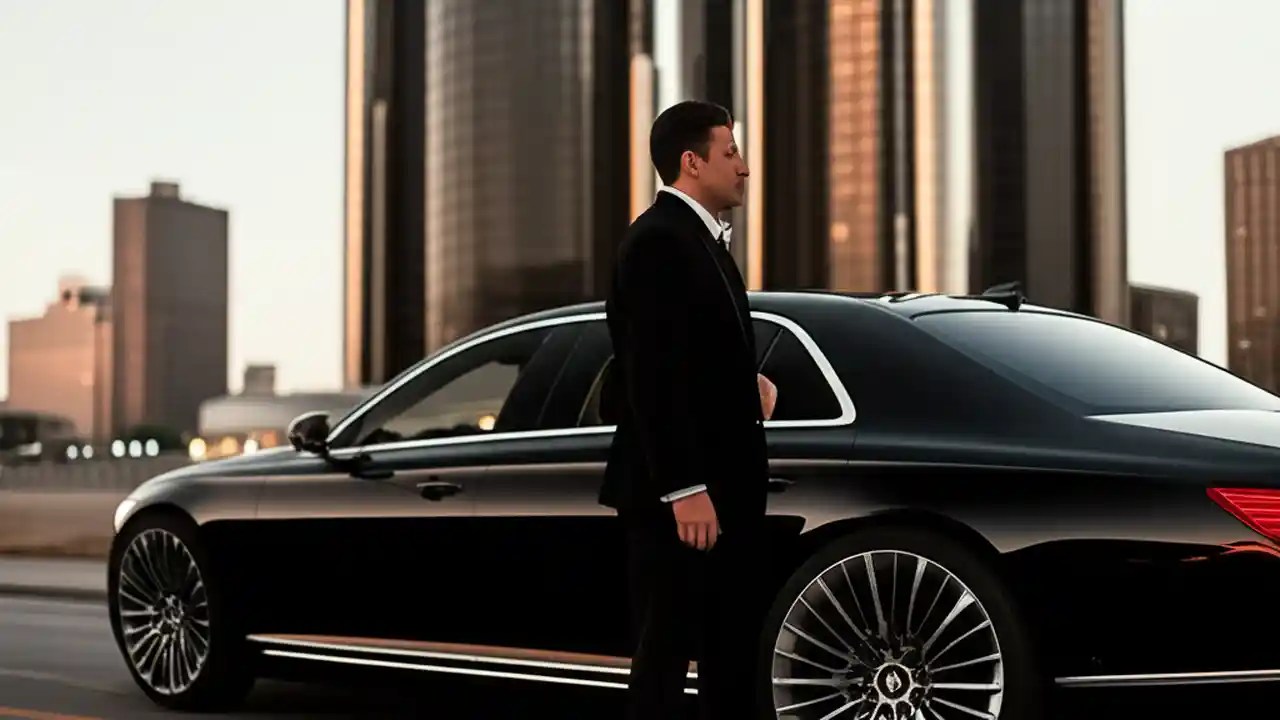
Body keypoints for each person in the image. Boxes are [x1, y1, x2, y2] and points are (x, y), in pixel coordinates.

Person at [600, 99, 778, 719]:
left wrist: (745, 383)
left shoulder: (699, 241)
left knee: (730, 652)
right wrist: (685, 488)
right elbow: (649, 376)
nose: (744, 167)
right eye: (730, 153)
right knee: (666, 660)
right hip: (681, 500)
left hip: (720, 492)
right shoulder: (658, 242)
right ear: (691, 162)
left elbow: (688, 356)